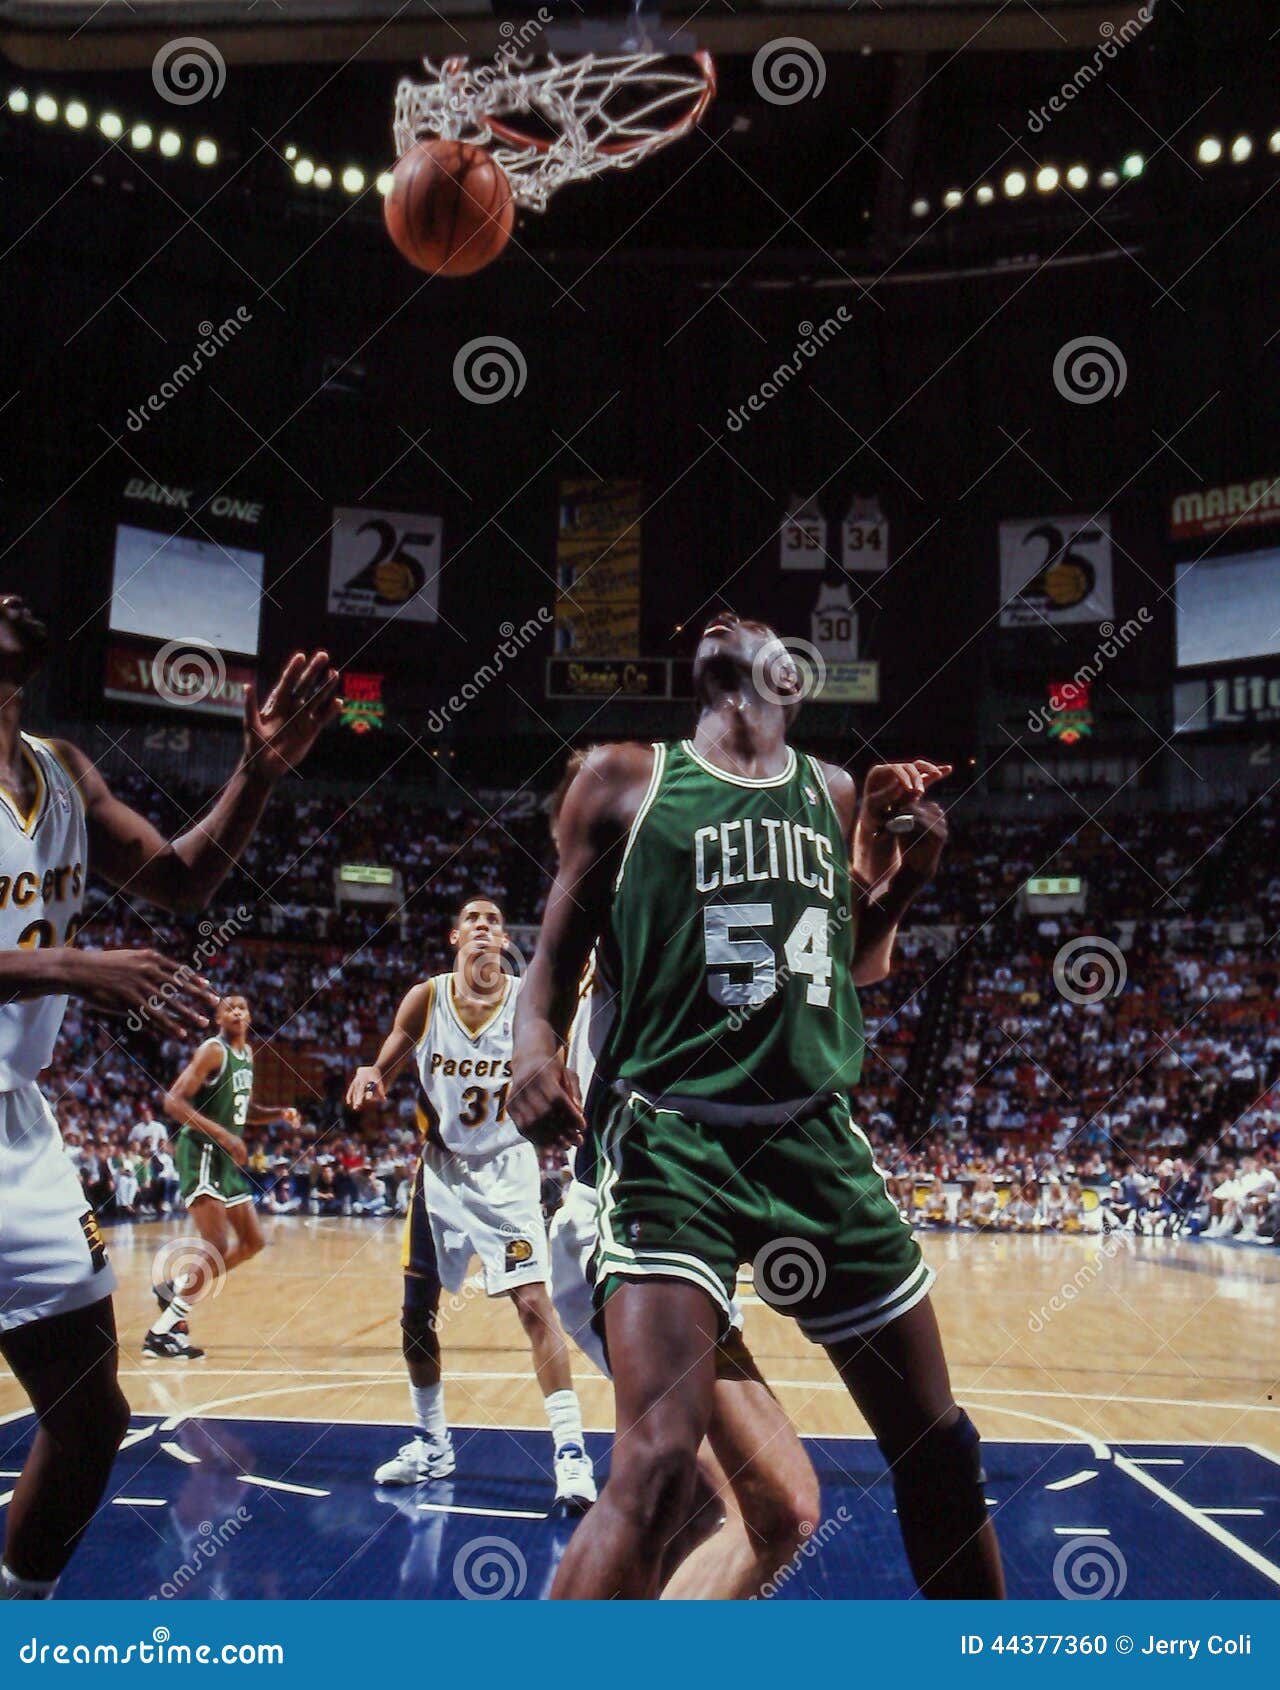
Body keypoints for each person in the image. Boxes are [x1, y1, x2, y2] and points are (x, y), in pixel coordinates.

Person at [511, 609, 1004, 1600]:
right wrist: (529, 1046)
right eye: (710, 620)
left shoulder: (828, 792)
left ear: (794, 679)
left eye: (753, 619)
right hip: (666, 1140)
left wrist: (904, 882)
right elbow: (551, 964)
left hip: (809, 1142)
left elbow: (845, 965)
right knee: (655, 1468)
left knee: (922, 1452)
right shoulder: (620, 776)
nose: (723, 618)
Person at [0, 590, 339, 1598]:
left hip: (15, 1124)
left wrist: (256, 773)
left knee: (92, 1416)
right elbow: (81, 960)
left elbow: (182, 878)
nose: (18, 593)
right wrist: (75, 966)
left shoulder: (61, 771)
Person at [544, 750, 823, 1598]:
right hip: (627, 1223)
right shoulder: (635, 910)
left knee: (783, 1513)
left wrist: (880, 876)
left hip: (682, 1226)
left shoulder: (656, 913)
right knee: (659, 1478)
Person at [347, 897, 595, 1512]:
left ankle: (570, 1453)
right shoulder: (424, 998)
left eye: (494, 920)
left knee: (534, 1307)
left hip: (507, 1169)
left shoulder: (527, 1001)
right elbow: (394, 1053)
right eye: (473, 919)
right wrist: (373, 1073)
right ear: (456, 935)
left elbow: (557, 1064)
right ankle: (432, 1443)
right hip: (441, 1171)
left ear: (504, 938)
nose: (484, 927)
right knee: (415, 1317)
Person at [143, 994, 300, 1360]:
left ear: (250, 1015)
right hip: (200, 1151)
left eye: (242, 1007)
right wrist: (225, 1136)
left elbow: (245, 1110)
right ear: (218, 1017)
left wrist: (279, 1113)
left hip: (224, 1158)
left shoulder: (248, 1055)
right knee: (215, 1241)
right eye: (228, 1007)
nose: (236, 1011)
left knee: (252, 1241)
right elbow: (173, 1102)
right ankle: (160, 1333)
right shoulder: (212, 1051)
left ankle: (178, 1288)